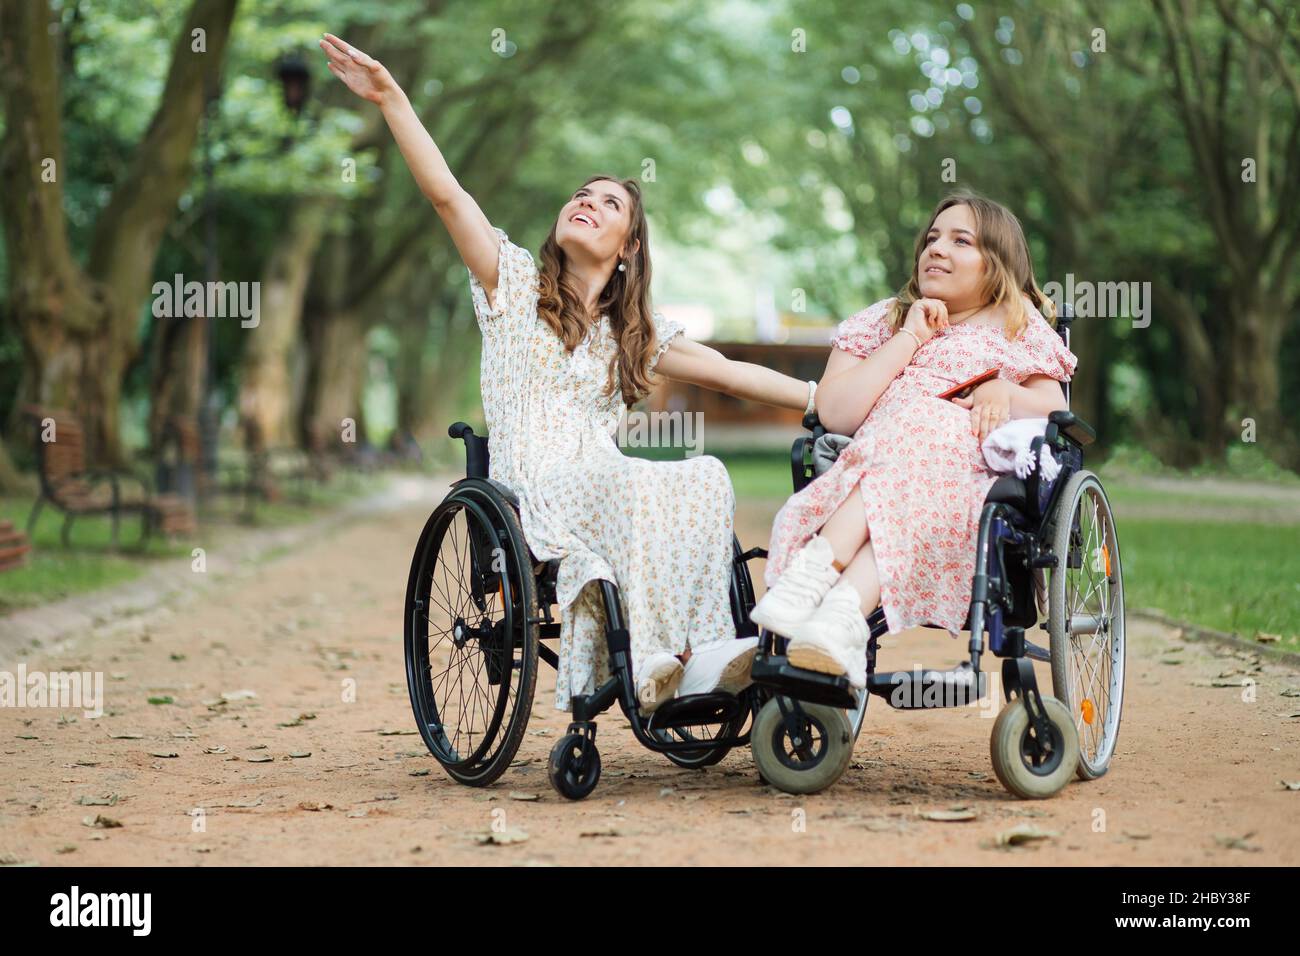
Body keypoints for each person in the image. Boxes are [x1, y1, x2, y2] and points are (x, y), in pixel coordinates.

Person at [319, 34, 814, 711]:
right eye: (582, 195)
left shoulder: (632, 335)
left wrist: (819, 400)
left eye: (609, 204)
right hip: (531, 485)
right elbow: (447, 196)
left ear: (629, 246)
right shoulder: (513, 284)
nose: (588, 202)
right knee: (626, 479)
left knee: (706, 473)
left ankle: (697, 657)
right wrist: (391, 99)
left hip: (600, 478)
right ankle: (655, 660)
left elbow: (730, 372)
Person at [751, 192, 1076, 688]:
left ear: (997, 264)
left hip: (961, 474)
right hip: (882, 457)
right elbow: (837, 415)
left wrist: (1002, 388)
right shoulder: (882, 321)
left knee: (920, 428)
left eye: (960, 240)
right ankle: (839, 616)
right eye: (932, 238)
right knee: (904, 430)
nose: (936, 249)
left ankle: (816, 580)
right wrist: (908, 338)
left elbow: (1055, 410)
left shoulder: (1017, 324)